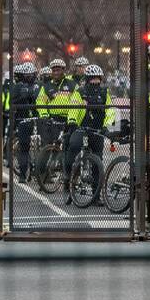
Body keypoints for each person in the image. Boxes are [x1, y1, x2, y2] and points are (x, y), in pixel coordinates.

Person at [63, 64, 117, 204]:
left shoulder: (105, 93)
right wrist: (73, 121)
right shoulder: (80, 92)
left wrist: (107, 127)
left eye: (98, 79)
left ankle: (96, 195)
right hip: (82, 128)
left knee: (97, 162)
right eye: (92, 79)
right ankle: (68, 180)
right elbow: (74, 108)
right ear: (87, 79)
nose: (95, 82)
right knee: (73, 148)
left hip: (98, 130)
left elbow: (111, 111)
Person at [5, 62, 45, 183]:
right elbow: (11, 102)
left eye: (31, 74)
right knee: (24, 147)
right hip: (23, 119)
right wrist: (22, 97)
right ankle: (22, 174)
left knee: (43, 145)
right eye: (26, 75)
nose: (29, 77)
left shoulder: (40, 86)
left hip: (38, 118)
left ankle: (42, 173)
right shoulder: (18, 86)